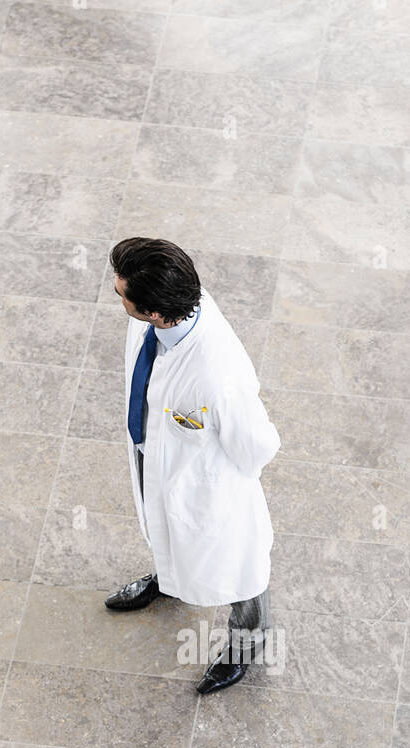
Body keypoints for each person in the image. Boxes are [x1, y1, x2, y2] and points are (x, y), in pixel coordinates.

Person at [105, 237, 280, 695]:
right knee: (164, 528)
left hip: (206, 488)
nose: (116, 295)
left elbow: (258, 445)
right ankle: (167, 576)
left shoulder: (216, 374)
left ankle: (248, 640)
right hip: (156, 457)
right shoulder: (164, 317)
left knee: (238, 561)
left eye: (121, 293)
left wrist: (206, 474)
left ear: (155, 311)